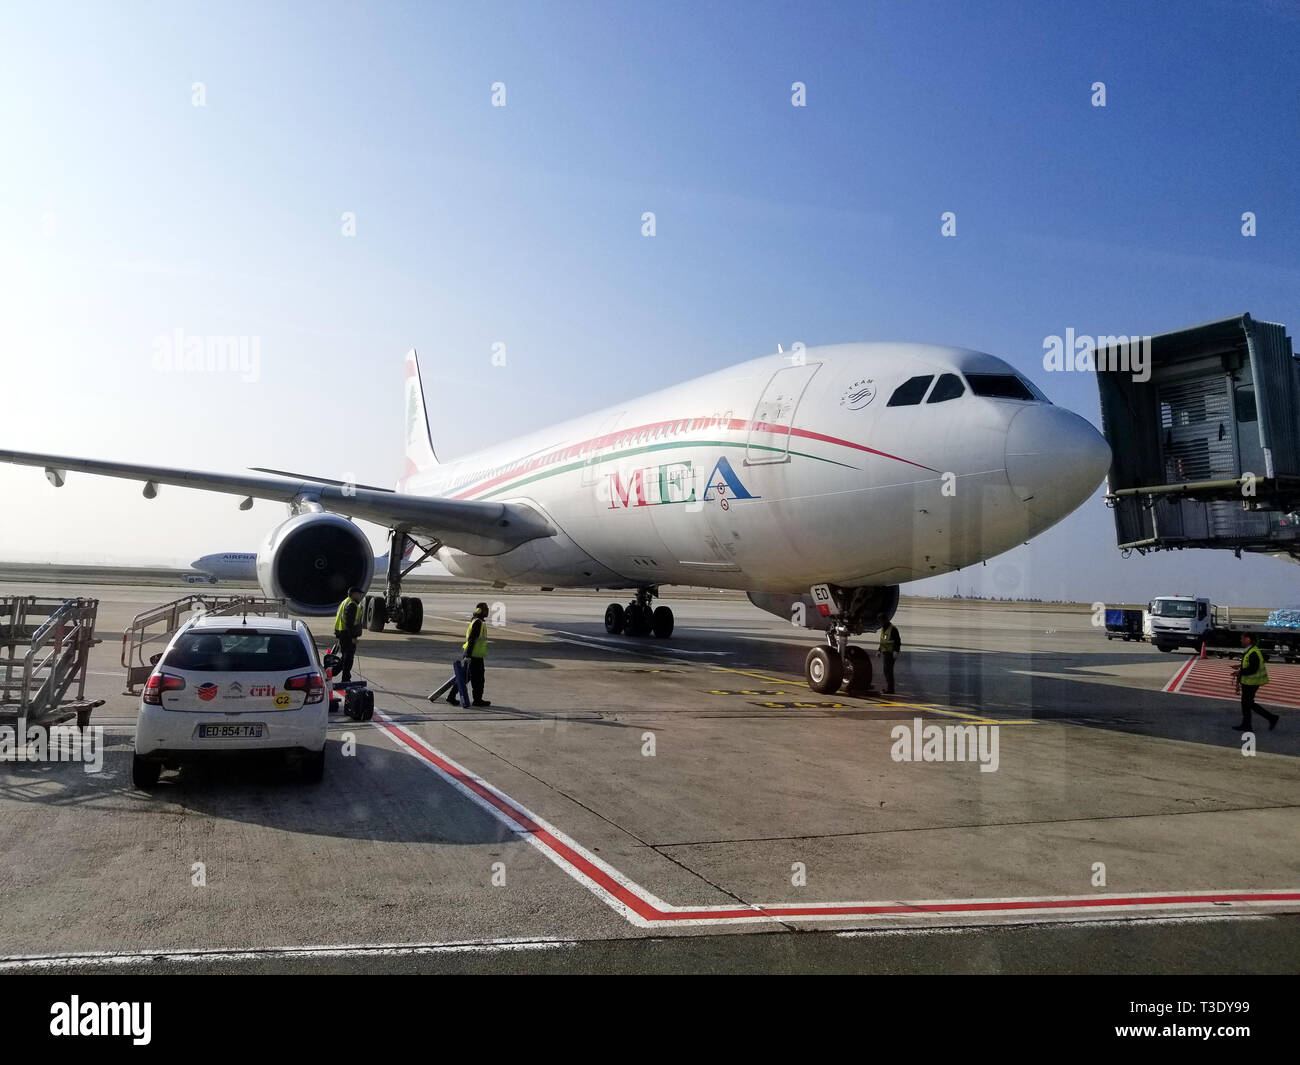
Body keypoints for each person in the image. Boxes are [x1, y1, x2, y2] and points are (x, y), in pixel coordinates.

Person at [449, 601, 492, 708]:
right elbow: (472, 639)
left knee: (465, 678)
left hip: (474, 655)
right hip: (473, 656)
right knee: (478, 679)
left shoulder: (476, 621)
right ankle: (477, 700)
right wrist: (468, 656)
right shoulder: (478, 622)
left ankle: (451, 696)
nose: (488, 611)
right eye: (486, 609)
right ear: (481, 610)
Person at [1232, 634, 1279, 732]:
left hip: (1251, 683)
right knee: (1247, 704)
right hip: (1249, 682)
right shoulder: (1251, 650)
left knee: (1247, 704)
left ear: (1248, 640)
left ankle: (1270, 718)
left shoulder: (1253, 653)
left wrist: (1240, 672)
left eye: (1242, 639)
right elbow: (1249, 665)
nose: (1241, 641)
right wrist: (1239, 667)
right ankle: (1248, 724)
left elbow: (1252, 669)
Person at [333, 587, 365, 683]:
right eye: (359, 594)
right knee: (348, 658)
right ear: (354, 594)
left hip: (342, 633)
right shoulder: (352, 605)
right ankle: (345, 679)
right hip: (347, 635)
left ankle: (332, 672)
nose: (360, 596)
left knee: (345, 657)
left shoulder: (345, 602)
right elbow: (349, 623)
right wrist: (353, 637)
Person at [877, 613, 902, 695]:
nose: (880, 623)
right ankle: (889, 688)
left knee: (888, 671)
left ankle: (890, 689)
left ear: (885, 620)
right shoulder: (884, 628)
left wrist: (896, 651)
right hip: (885, 653)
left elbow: (897, 641)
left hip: (890, 653)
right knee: (886, 671)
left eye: (881, 621)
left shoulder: (893, 629)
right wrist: (879, 650)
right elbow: (883, 641)